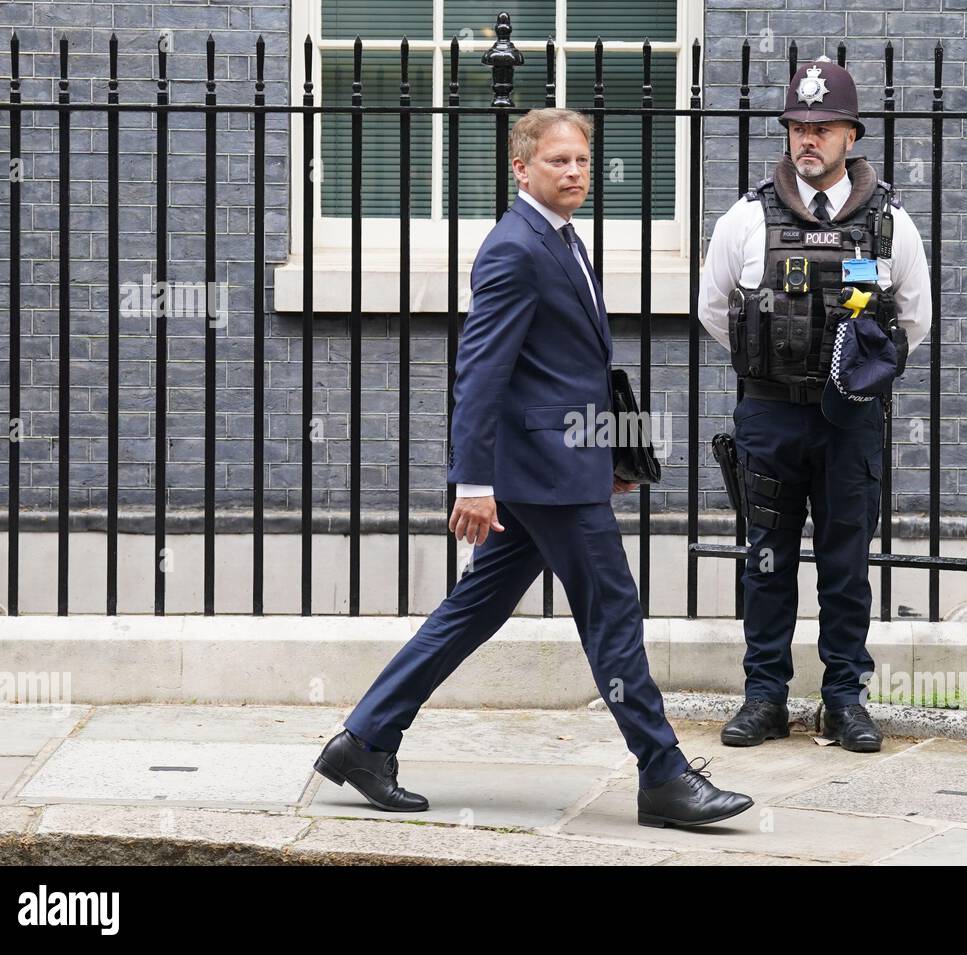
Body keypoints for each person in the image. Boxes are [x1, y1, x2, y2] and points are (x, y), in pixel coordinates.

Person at [315, 107, 753, 829]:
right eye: (558, 161)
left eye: (582, 160)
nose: (575, 172)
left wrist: (608, 450)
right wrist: (473, 482)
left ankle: (363, 740)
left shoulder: (561, 238)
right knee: (612, 613)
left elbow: (565, 372)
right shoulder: (515, 247)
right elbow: (480, 373)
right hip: (543, 479)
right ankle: (664, 774)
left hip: (562, 465)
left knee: (472, 611)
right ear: (520, 168)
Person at [698, 59, 932, 752]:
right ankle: (764, 696)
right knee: (766, 559)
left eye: (823, 126)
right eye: (798, 126)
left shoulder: (891, 224)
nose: (809, 138)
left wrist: (849, 375)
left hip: (849, 417)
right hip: (768, 413)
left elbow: (911, 322)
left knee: (845, 561)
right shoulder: (744, 218)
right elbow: (716, 311)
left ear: (850, 135)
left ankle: (844, 699)